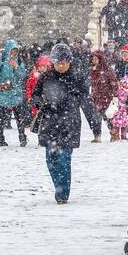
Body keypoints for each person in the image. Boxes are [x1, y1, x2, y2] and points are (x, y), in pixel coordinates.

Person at [31, 43, 89, 204]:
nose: (61, 65)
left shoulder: (77, 76)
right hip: (49, 122)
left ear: (69, 61)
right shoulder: (47, 76)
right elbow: (35, 95)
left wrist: (95, 123)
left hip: (69, 123)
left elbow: (85, 99)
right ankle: (59, 186)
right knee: (50, 159)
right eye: (57, 62)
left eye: (63, 62)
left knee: (64, 159)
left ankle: (62, 193)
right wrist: (39, 103)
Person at [0, 39, 29, 147]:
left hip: (15, 91)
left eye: (15, 51)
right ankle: (0, 137)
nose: (13, 53)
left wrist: (16, 66)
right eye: (12, 50)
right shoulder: (0, 60)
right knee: (2, 116)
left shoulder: (19, 61)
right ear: (7, 50)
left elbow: (22, 75)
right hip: (3, 91)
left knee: (19, 116)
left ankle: (22, 136)